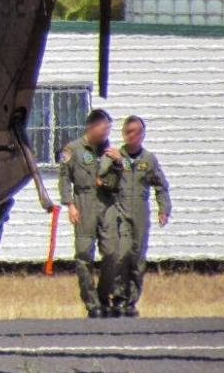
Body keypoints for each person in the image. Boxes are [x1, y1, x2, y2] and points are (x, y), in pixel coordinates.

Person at [96, 115, 171, 317]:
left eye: (134, 132)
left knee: (137, 259)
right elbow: (100, 177)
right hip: (120, 211)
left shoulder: (148, 160)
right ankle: (118, 297)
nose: (130, 136)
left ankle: (131, 301)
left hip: (140, 212)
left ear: (142, 134)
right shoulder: (114, 155)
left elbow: (161, 186)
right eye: (126, 132)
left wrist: (164, 209)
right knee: (122, 254)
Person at [58, 108, 117, 318]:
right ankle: (92, 303)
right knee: (84, 255)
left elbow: (130, 172)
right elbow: (64, 178)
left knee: (112, 253)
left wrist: (121, 161)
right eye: (104, 129)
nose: (107, 134)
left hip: (106, 203)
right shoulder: (73, 150)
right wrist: (70, 205)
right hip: (83, 202)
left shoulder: (111, 152)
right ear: (92, 126)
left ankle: (103, 296)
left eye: (109, 130)